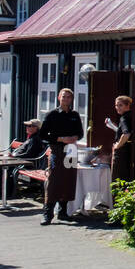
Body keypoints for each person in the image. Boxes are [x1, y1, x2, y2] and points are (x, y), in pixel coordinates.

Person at [37, 88, 84, 224]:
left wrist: (75, 137)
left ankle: (63, 212)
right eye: (64, 97)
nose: (66, 99)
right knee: (54, 180)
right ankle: (48, 213)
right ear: (59, 98)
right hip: (57, 149)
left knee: (68, 180)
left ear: (71, 99)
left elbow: (80, 133)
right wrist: (60, 139)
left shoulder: (75, 115)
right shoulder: (52, 114)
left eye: (69, 97)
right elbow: (43, 135)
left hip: (71, 150)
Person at [0, 118, 48, 198]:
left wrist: (14, 156)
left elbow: (30, 154)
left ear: (36, 128)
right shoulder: (31, 138)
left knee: (0, 168)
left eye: (29, 126)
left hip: (23, 162)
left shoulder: (35, 139)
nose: (27, 127)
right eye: (27, 125)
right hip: (17, 160)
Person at [110, 95, 133, 184]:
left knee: (117, 179)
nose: (117, 108)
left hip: (121, 153)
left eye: (120, 105)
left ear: (127, 106)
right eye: (116, 105)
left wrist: (117, 146)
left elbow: (126, 134)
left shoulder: (124, 118)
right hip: (128, 152)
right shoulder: (131, 115)